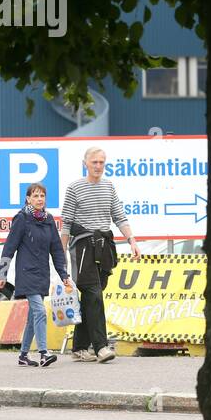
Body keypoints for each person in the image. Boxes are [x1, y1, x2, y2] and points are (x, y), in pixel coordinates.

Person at [60, 146, 141, 363]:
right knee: (94, 294)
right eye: (94, 162)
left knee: (91, 297)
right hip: (82, 246)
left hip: (104, 244)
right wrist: (62, 258)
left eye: (101, 162)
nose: (98, 166)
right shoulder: (74, 188)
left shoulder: (109, 187)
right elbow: (66, 223)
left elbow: (119, 216)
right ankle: (101, 347)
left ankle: (78, 348)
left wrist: (132, 240)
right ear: (85, 163)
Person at [0, 183, 72, 367]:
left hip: (42, 274)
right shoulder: (22, 218)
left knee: (33, 316)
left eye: (42, 196)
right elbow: (9, 247)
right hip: (26, 274)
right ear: (28, 199)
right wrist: (2, 274)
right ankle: (44, 353)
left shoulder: (48, 220)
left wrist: (63, 274)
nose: (40, 199)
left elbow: (56, 249)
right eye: (36, 196)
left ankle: (23, 355)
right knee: (40, 310)